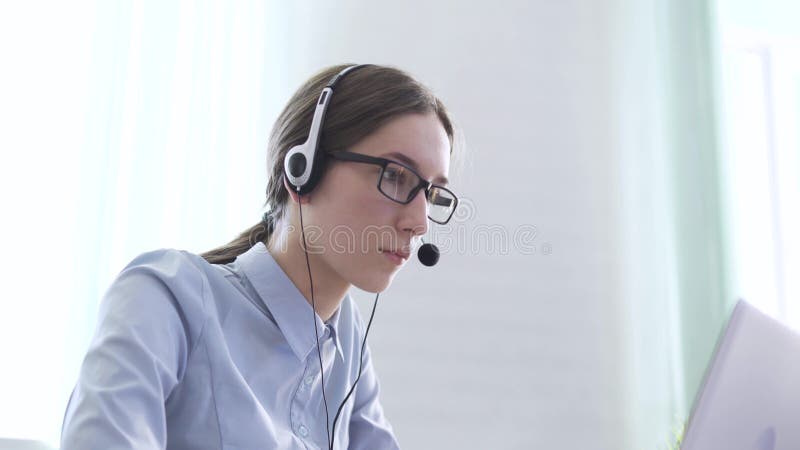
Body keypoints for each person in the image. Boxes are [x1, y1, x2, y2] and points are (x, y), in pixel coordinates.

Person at [60, 63, 460, 450]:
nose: (419, 222)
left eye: (431, 193)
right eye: (394, 175)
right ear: (302, 171)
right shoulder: (165, 297)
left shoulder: (346, 343)